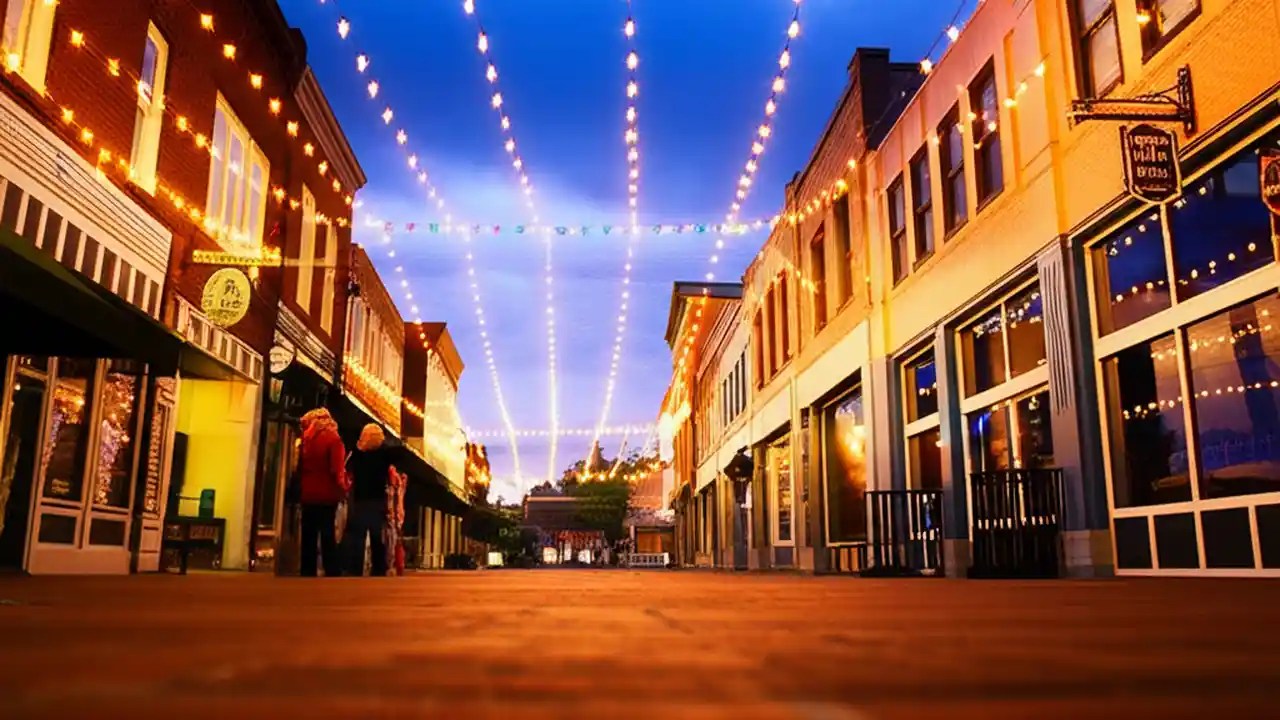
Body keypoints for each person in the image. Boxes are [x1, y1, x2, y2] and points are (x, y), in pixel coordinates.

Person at [297, 408, 347, 577]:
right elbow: (336, 469)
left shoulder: (306, 439)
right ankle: (331, 569)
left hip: (308, 492)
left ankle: (307, 569)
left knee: (308, 534)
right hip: (327, 493)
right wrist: (343, 488)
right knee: (327, 533)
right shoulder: (333, 440)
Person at [344, 423, 397, 576]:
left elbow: (347, 469)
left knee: (358, 536)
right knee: (376, 537)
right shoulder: (384, 454)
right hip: (377, 499)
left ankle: (355, 569)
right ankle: (379, 569)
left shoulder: (356, 453)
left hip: (360, 499)